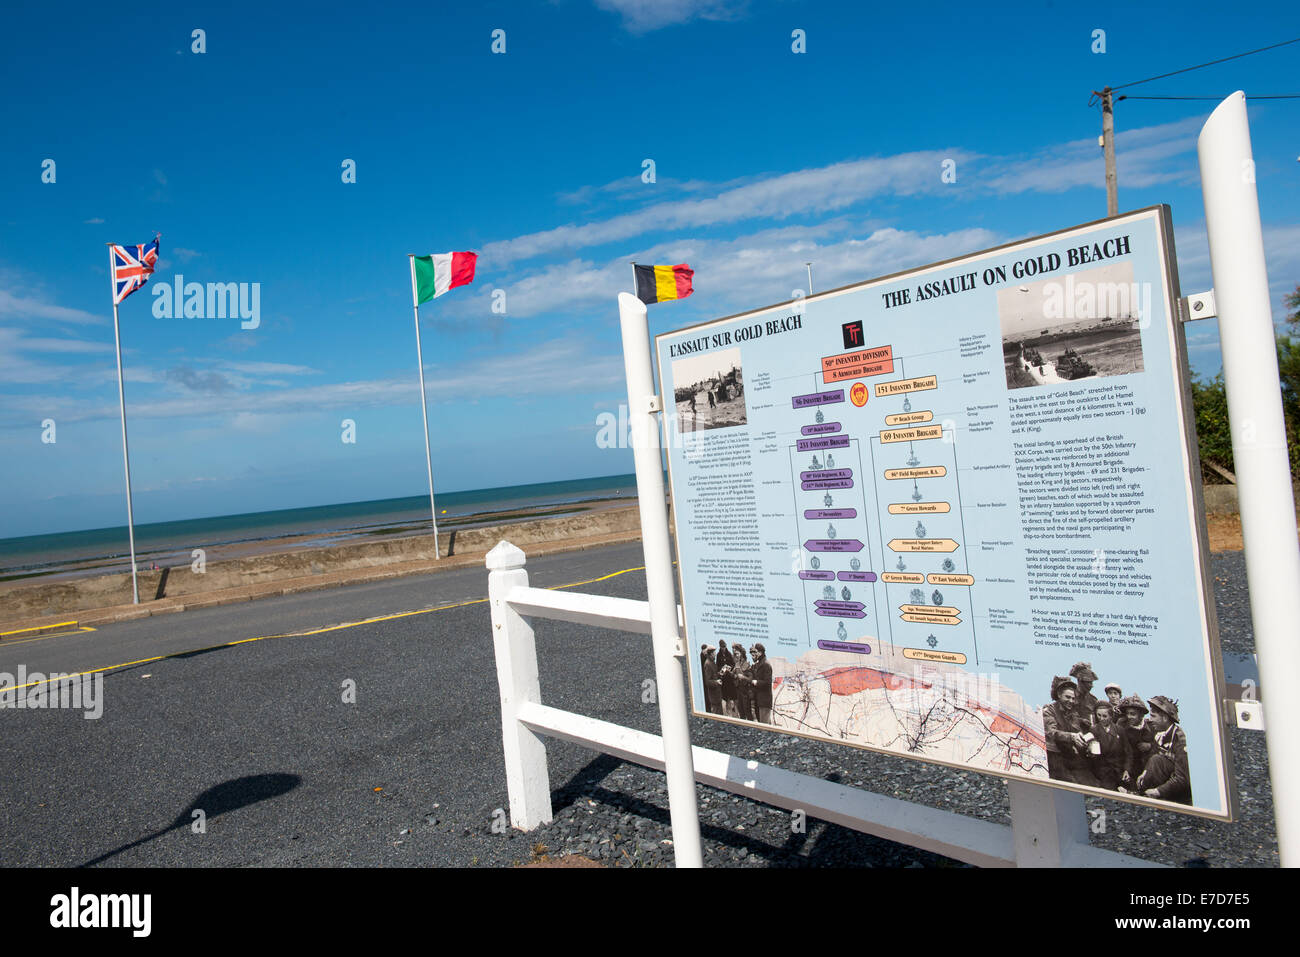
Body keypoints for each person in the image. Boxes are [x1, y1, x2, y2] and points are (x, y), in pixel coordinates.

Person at [1042, 676, 1099, 786]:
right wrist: (1072, 737)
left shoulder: (1073, 713)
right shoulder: (1049, 711)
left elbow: (1078, 731)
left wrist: (1089, 742)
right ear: (1059, 695)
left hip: (1070, 755)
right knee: (1072, 784)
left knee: (1092, 782)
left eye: (1073, 698)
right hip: (1054, 756)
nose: (1071, 701)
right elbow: (1051, 733)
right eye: (1067, 697)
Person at [1136, 696, 1192, 805]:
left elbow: (1182, 778)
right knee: (1155, 759)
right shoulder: (1160, 734)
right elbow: (1153, 758)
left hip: (1179, 793)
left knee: (1158, 760)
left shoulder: (1179, 739)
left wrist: (1158, 791)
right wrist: (1145, 772)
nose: (1150, 720)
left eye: (1153, 716)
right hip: (1165, 782)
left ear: (1165, 718)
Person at [1086, 700, 1133, 791]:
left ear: (1111, 716)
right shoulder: (1094, 730)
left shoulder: (1120, 730)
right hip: (1104, 773)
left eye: (1105, 716)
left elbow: (1128, 753)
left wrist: (1127, 770)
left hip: (1120, 771)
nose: (1101, 718)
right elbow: (1093, 759)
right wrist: (1090, 751)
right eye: (1099, 715)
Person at [1117, 694, 1154, 782]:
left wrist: (1150, 746)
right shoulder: (1122, 724)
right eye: (1127, 713)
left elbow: (1159, 746)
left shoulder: (1152, 727)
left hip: (1145, 766)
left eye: (1132, 714)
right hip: (1126, 765)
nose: (1129, 716)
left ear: (1141, 716)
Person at [1069, 662, 1099, 730]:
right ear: (1080, 681)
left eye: (1092, 682)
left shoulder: (1093, 700)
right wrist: (1080, 721)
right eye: (1088, 682)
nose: (1091, 685)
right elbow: (1064, 715)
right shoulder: (1069, 697)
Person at [748, 643, 773, 723]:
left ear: (760, 652)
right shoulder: (760, 663)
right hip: (760, 700)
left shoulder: (766, 665)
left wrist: (756, 682)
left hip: (765, 700)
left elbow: (767, 683)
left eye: (756, 652)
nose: (755, 654)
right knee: (764, 723)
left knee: (764, 725)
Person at [715, 642, 737, 717]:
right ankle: (726, 713)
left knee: (732, 696)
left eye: (724, 646)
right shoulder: (718, 655)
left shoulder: (729, 654)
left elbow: (733, 664)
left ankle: (733, 711)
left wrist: (729, 667)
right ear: (720, 647)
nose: (723, 648)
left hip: (730, 679)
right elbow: (717, 666)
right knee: (724, 696)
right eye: (722, 647)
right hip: (723, 679)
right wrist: (721, 669)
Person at [732, 643, 752, 720]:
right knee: (741, 711)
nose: (736, 655)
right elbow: (733, 675)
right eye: (735, 654)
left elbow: (750, 679)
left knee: (747, 712)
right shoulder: (736, 664)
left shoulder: (747, 664)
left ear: (741, 653)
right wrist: (734, 675)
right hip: (738, 691)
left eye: (737, 654)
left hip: (745, 691)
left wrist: (743, 677)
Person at [701, 646, 723, 715]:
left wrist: (720, 673)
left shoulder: (712, 662)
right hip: (713, 696)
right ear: (710, 654)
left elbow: (714, 675)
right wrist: (716, 682)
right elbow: (707, 681)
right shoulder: (708, 664)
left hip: (717, 694)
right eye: (714, 653)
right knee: (716, 715)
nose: (715, 654)